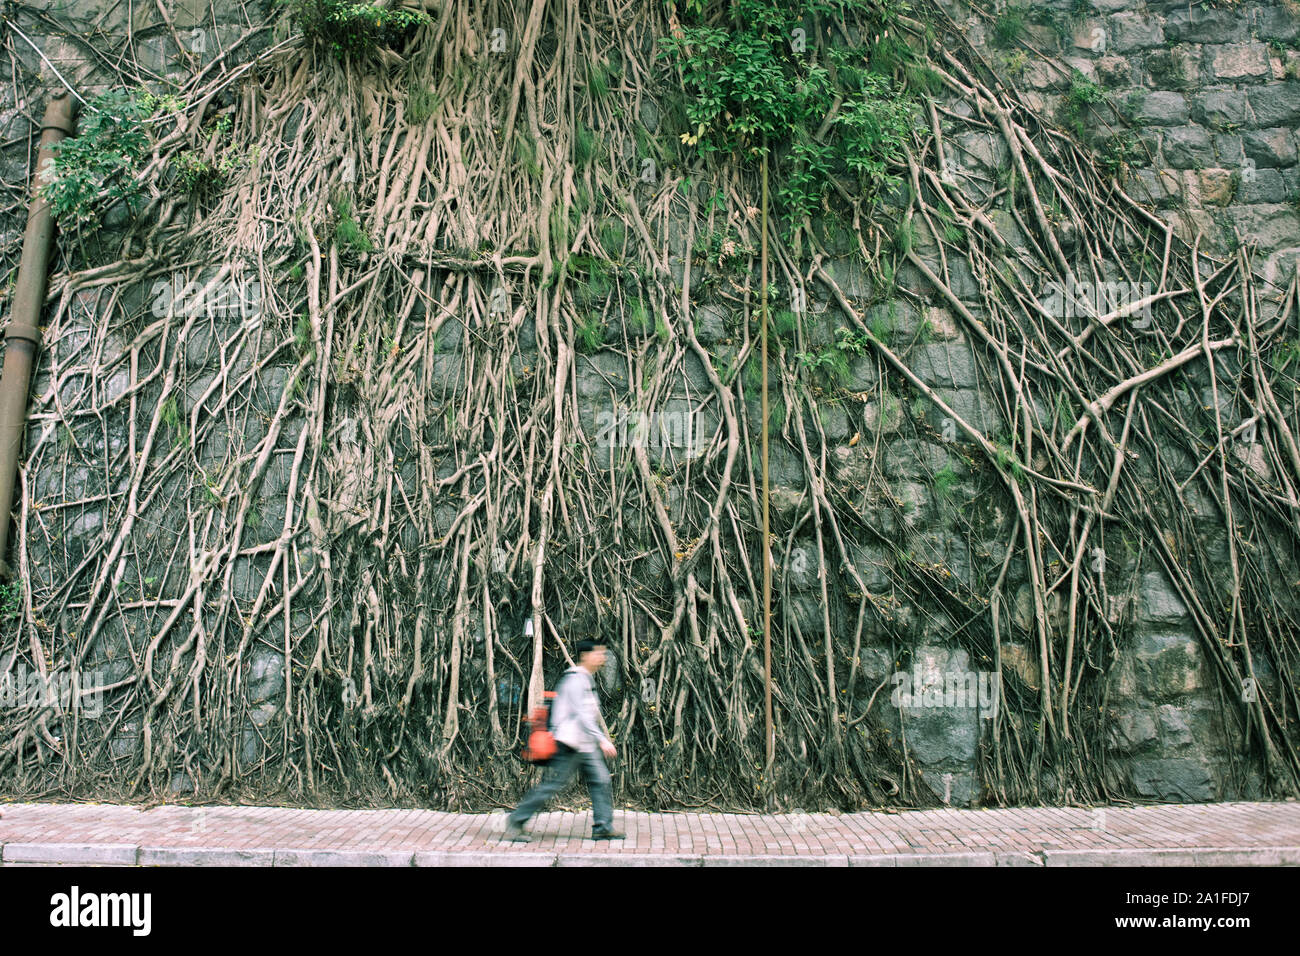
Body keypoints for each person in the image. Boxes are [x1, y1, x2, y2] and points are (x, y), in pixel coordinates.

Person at [504, 638, 623, 841]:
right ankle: (516, 821)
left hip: (585, 744)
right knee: (552, 785)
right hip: (570, 744)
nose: (602, 657)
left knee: (601, 780)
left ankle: (603, 826)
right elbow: (582, 714)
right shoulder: (575, 679)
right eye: (598, 653)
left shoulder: (587, 678)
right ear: (585, 656)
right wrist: (602, 739)